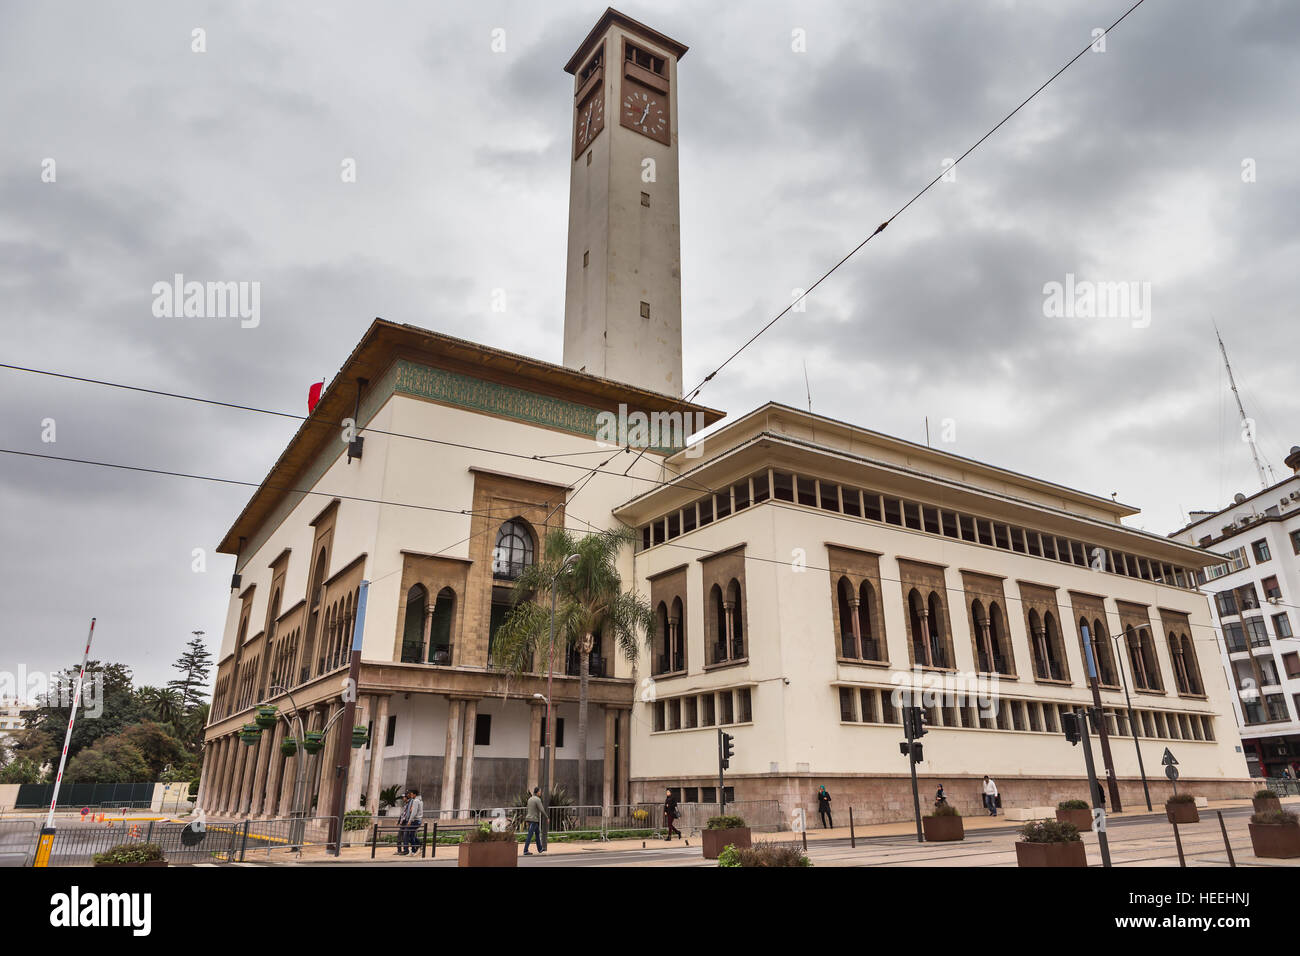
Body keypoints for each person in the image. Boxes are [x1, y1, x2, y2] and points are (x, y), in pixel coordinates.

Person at [523, 786, 545, 856]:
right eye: (540, 791)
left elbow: (528, 809)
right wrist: (547, 817)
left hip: (530, 819)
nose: (540, 793)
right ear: (537, 792)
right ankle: (525, 850)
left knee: (537, 833)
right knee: (530, 835)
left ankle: (540, 849)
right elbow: (541, 809)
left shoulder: (530, 799)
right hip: (533, 820)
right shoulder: (537, 799)